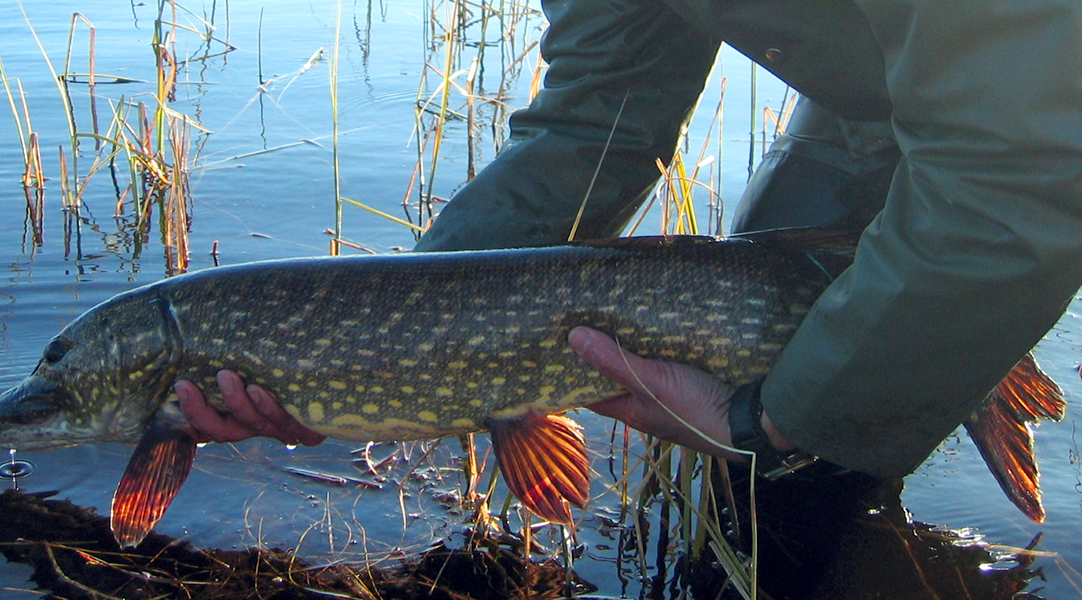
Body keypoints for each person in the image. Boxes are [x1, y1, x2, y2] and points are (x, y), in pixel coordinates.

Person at [178, 0, 1082, 484]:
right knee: (803, 401)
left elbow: (1024, 166)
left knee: (812, 413)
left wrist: (776, 421)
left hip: (1044, 84)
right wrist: (392, 334)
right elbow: (599, 114)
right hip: (894, 79)